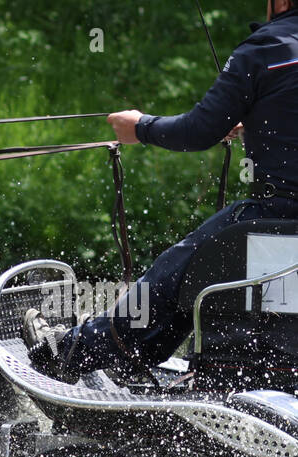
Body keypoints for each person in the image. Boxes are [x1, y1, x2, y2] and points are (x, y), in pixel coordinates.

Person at [26, 1, 298, 379]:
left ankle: (73, 352)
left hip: (277, 216)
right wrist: (257, 120)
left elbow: (197, 130)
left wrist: (140, 127)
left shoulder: (266, 48)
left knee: (172, 275)